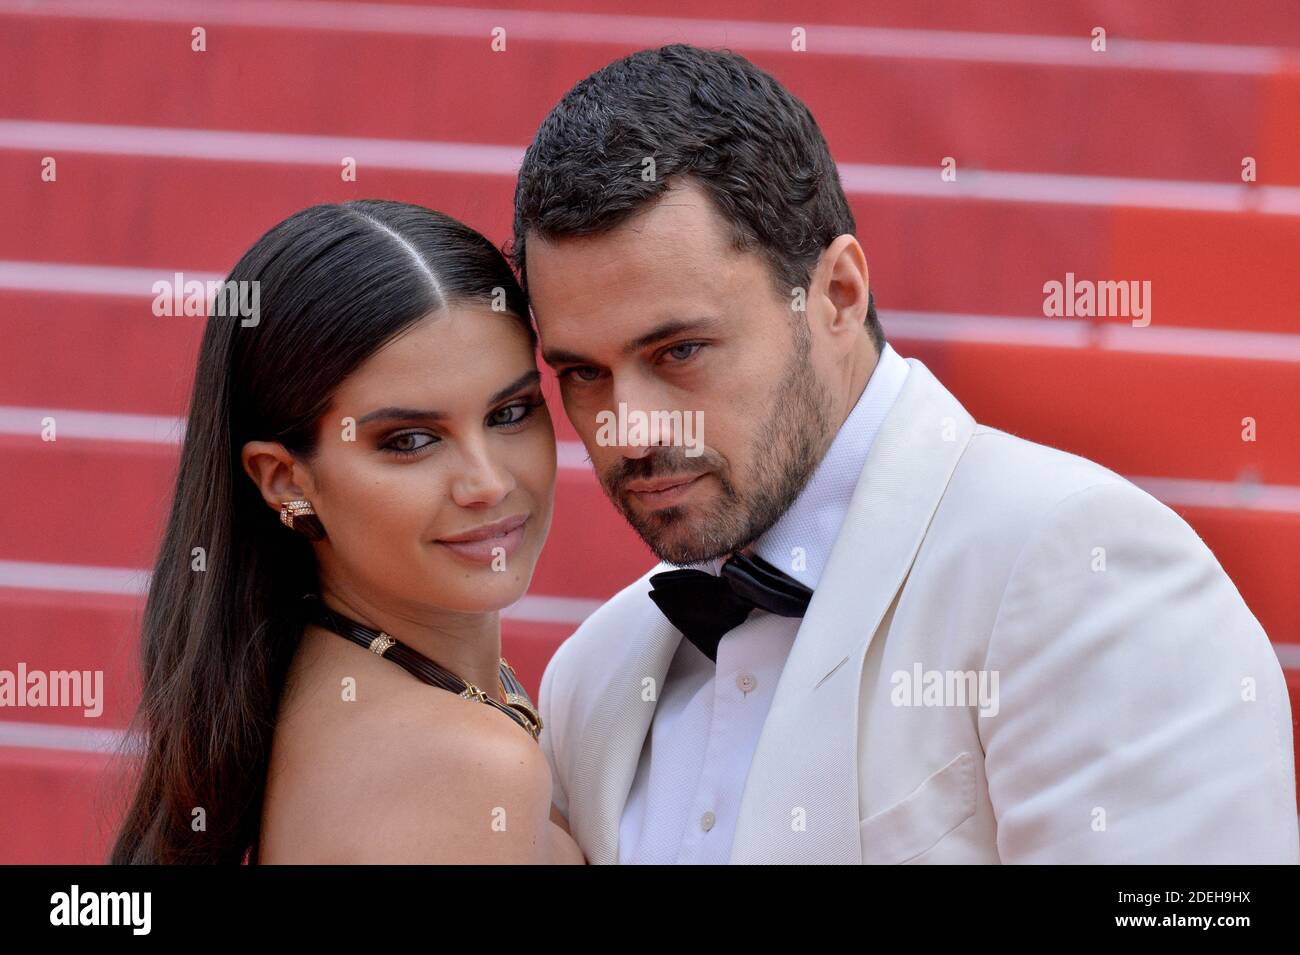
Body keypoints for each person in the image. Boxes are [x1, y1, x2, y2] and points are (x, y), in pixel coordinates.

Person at [512, 44, 1299, 864]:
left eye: (678, 350)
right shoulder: (590, 679)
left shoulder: (1084, 567)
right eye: (582, 373)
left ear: (838, 295)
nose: (629, 430)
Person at [109, 200, 584, 864]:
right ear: (283, 478)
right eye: (410, 440)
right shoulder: (462, 764)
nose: (488, 482)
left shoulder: (304, 670)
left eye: (510, 412)